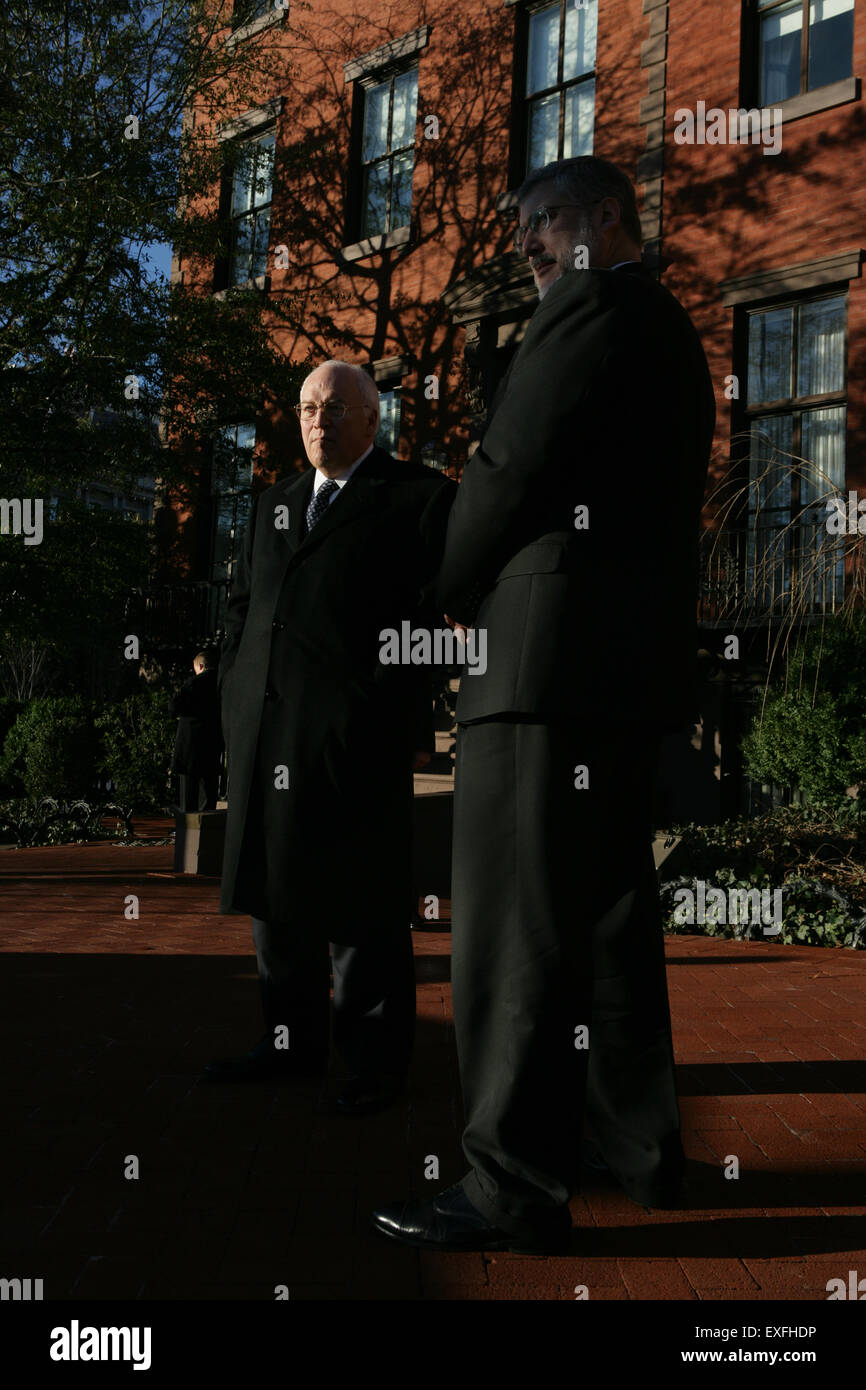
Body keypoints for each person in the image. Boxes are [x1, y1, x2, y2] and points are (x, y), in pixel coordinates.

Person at [372, 156, 715, 1251]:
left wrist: (439, 586)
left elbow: (509, 466)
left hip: (540, 671)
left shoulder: (588, 306)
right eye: (520, 225)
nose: (524, 241)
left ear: (604, 219)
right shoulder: (667, 328)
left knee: (512, 935)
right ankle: (638, 1153)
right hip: (619, 675)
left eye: (543, 219)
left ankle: (510, 1184)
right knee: (610, 922)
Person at [206, 361, 456, 1115]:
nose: (319, 421)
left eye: (336, 408)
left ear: (373, 418)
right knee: (274, 899)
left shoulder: (418, 497)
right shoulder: (274, 502)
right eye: (309, 408)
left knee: (361, 906)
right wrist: (231, 690)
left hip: (358, 736)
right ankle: (290, 1044)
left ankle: (374, 1066)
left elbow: (433, 620)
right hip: (266, 729)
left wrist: (408, 725)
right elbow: (246, 607)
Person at [170, 649, 222, 812]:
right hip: (213, 743)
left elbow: (174, 706)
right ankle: (206, 832)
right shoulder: (222, 683)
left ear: (200, 665)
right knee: (208, 793)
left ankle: (191, 833)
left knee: (189, 796)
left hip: (190, 745)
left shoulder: (195, 683)